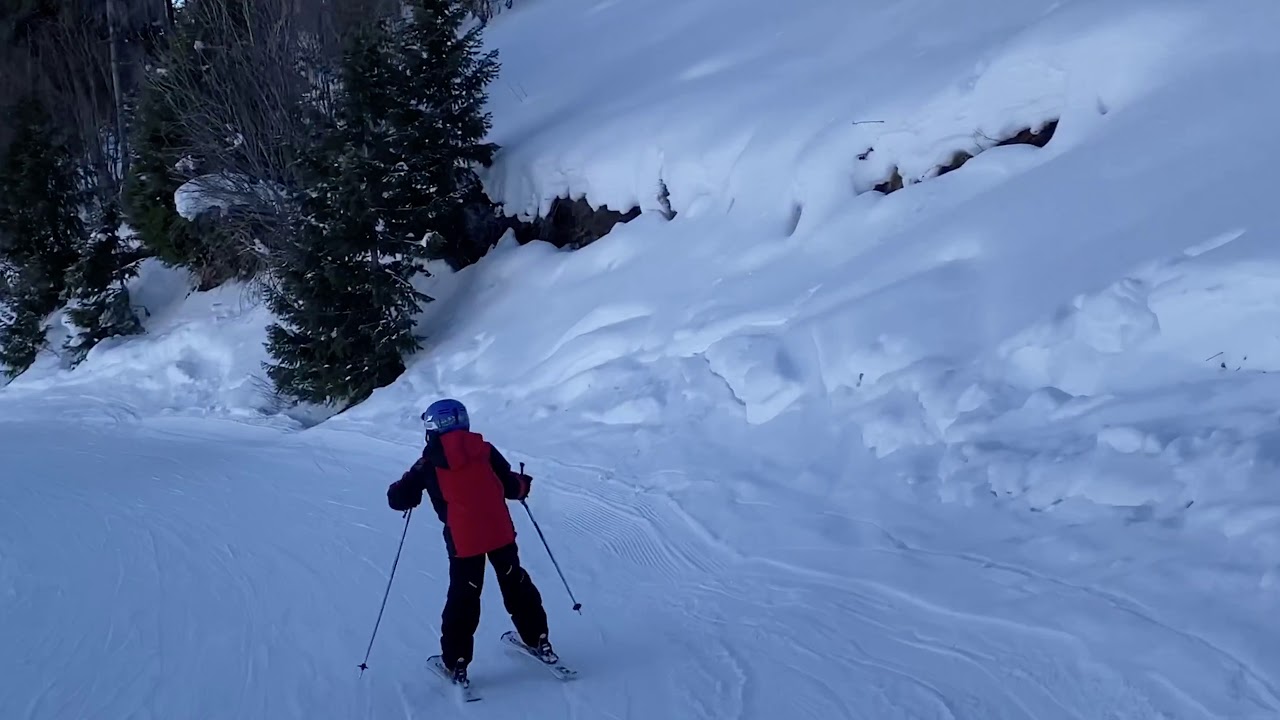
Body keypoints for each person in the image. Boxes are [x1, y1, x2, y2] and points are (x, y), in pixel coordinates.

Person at [386, 398, 557, 687]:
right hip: (501, 534)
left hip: (464, 541)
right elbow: (511, 486)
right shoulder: (485, 449)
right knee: (516, 583)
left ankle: (456, 662)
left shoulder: (428, 462)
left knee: (464, 597)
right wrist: (523, 484)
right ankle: (539, 639)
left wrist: (405, 492)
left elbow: (398, 498)